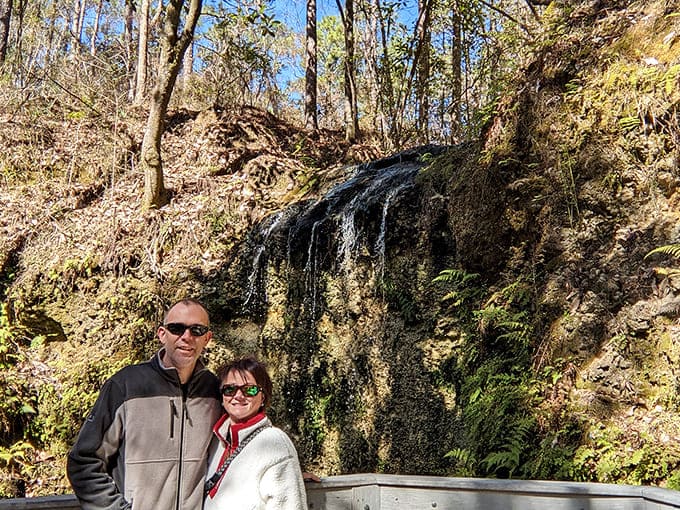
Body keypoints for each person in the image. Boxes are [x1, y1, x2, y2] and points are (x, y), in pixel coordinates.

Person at [67, 298, 222, 510]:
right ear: (162, 334)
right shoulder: (126, 386)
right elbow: (84, 461)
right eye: (177, 328)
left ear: (207, 338)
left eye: (196, 330)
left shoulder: (216, 391)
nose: (187, 337)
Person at [204, 356, 308, 510]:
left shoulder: (274, 443)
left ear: (263, 397)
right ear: (222, 396)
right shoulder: (215, 441)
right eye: (230, 389)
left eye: (249, 390)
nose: (238, 396)